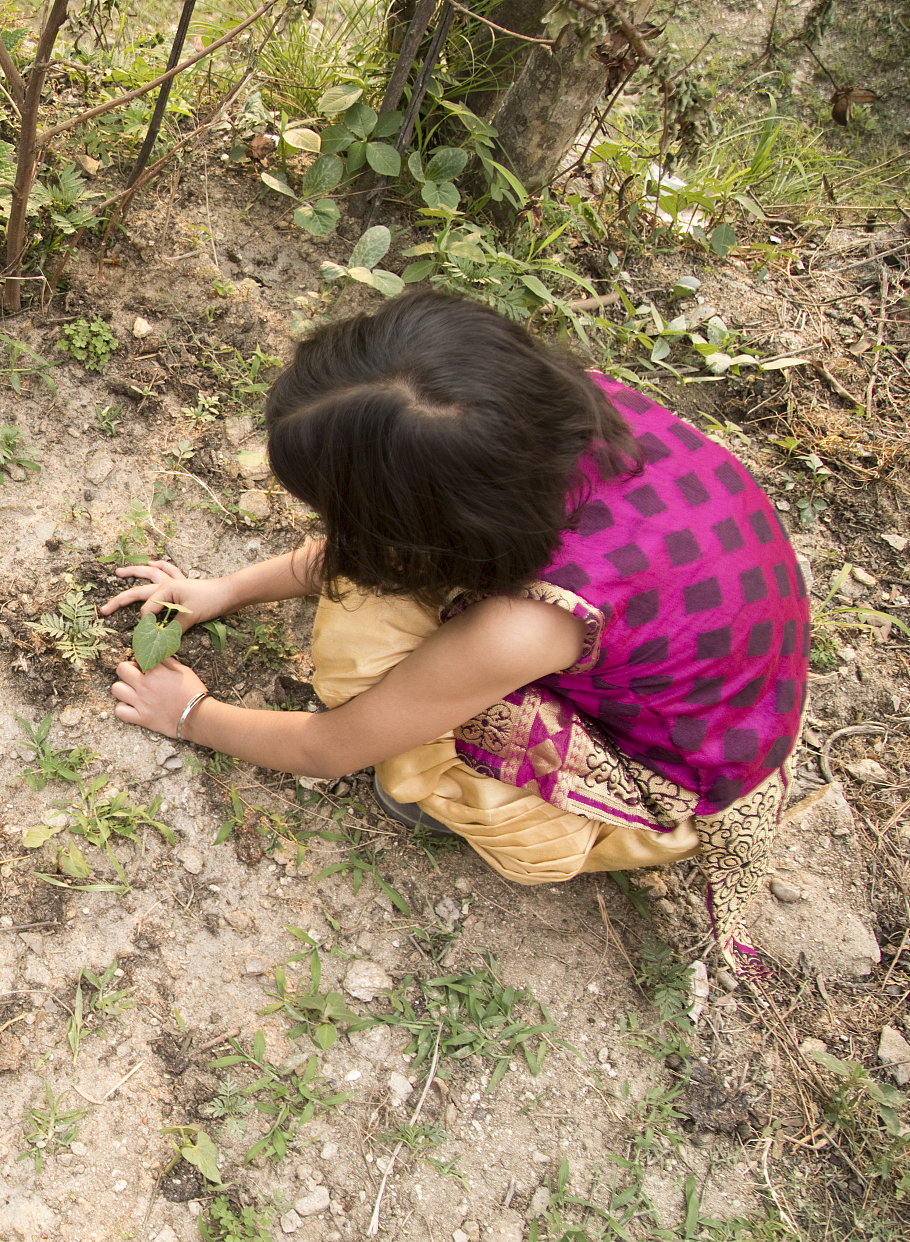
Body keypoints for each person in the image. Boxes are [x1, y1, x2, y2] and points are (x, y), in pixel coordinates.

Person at [101, 290, 808, 977]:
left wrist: (190, 714)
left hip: (678, 779)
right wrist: (225, 589)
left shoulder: (528, 625)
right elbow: (395, 546)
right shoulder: (555, 410)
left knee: (366, 645)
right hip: (736, 688)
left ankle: (515, 814)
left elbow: (329, 748)